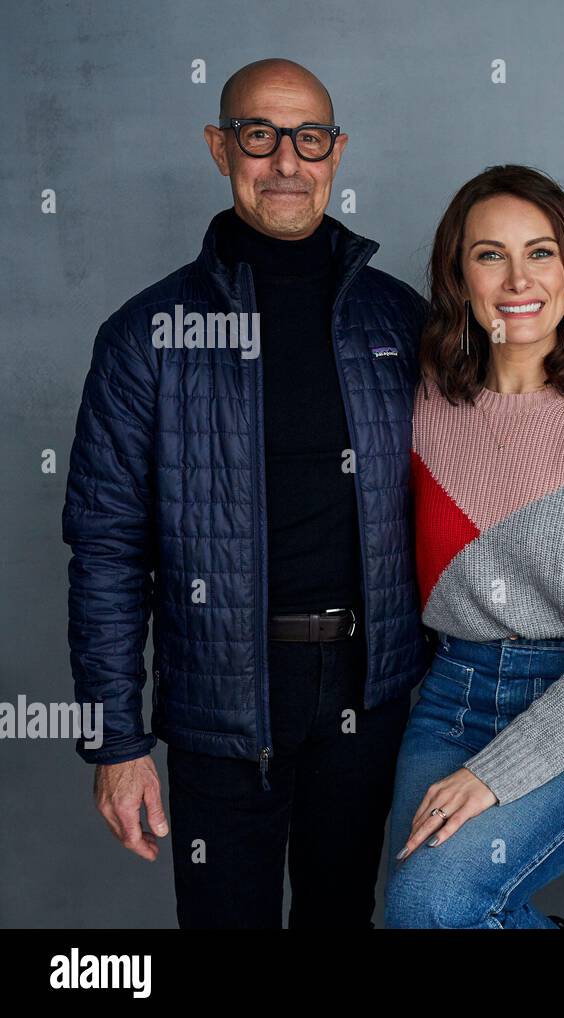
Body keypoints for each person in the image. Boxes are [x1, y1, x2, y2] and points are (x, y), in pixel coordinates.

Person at [62, 58, 430, 928]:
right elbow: (107, 550)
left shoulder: (400, 321)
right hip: (218, 695)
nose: (286, 162)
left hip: (367, 690)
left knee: (342, 913)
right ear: (219, 146)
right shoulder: (146, 336)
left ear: (336, 151)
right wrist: (115, 741)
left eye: (309, 138)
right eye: (259, 135)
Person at [383, 165, 564, 928]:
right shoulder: (420, 404)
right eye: (489, 255)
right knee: (418, 914)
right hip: (453, 698)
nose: (518, 278)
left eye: (540, 252)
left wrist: (495, 775)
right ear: (458, 277)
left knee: (433, 904)